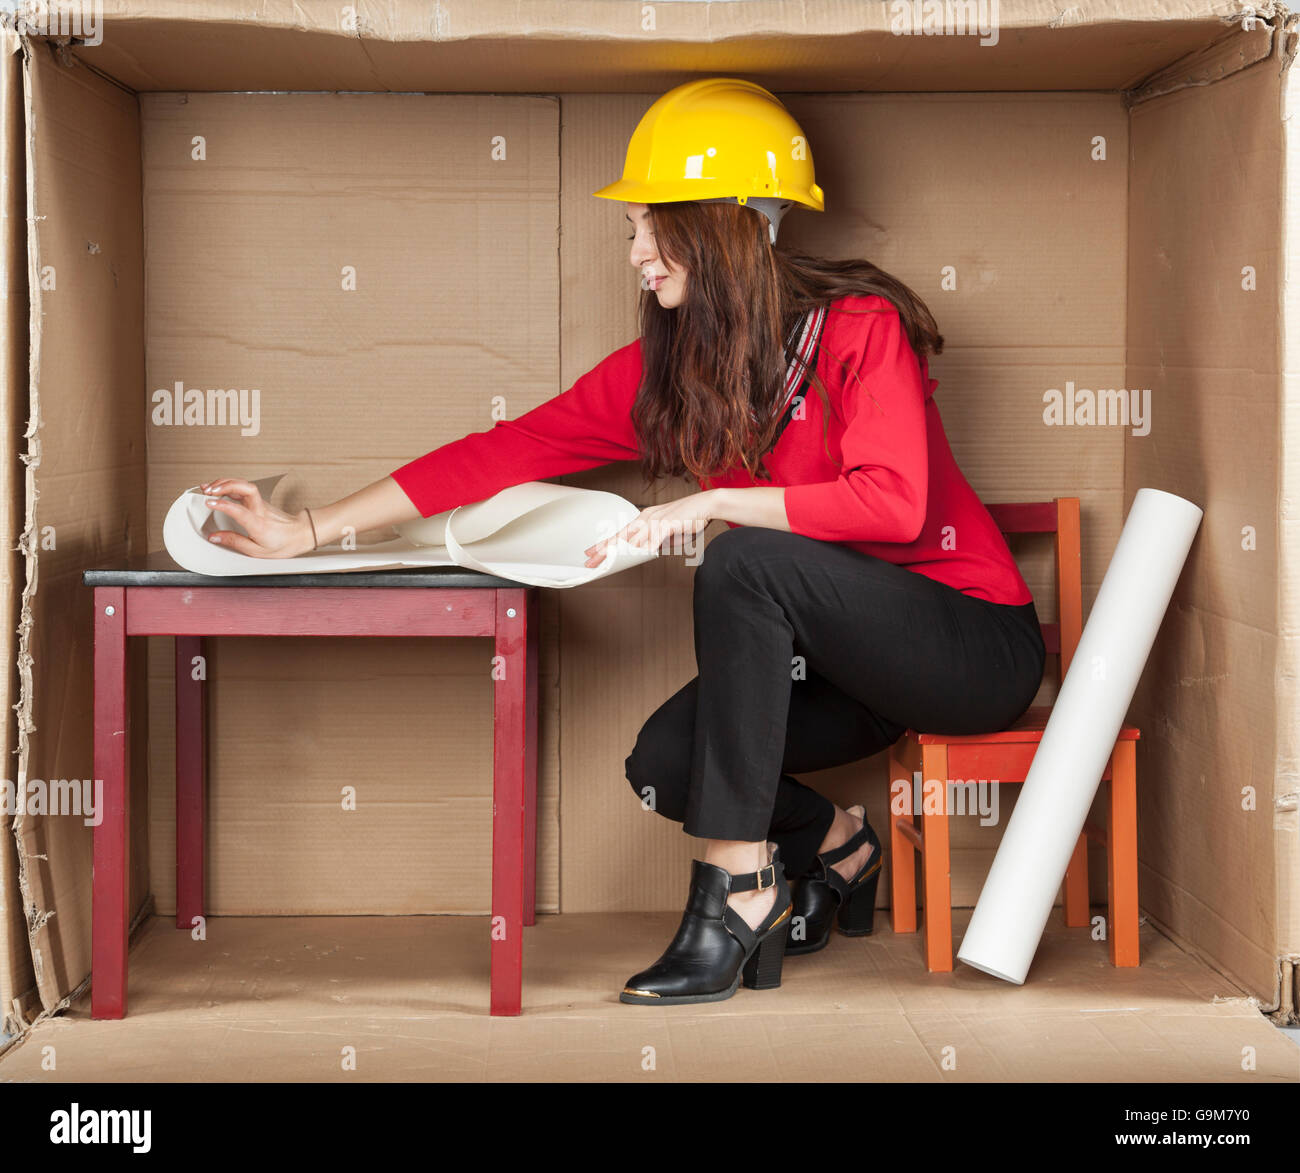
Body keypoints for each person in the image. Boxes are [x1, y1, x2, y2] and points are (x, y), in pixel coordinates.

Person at [194, 78, 1046, 1008]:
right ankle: (840, 845)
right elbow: (505, 451)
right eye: (631, 229)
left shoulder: (859, 330)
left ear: (727, 225)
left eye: (655, 227)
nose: (638, 255)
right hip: (844, 672)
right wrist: (309, 529)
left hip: (970, 645)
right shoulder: (671, 374)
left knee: (741, 558)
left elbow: (892, 508)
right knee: (665, 765)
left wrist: (719, 500)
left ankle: (737, 895)